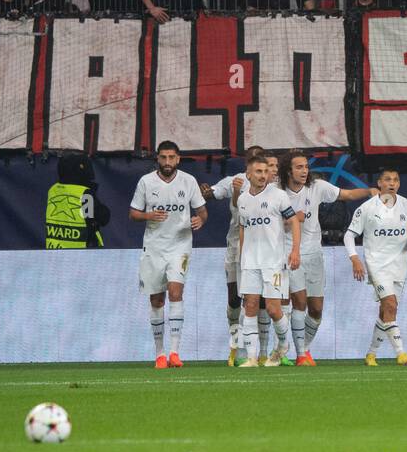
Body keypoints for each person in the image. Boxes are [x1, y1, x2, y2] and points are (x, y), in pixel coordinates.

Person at [279, 150, 378, 365]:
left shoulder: (317, 187)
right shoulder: (278, 193)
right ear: (288, 170)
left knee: (316, 309)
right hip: (289, 254)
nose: (304, 171)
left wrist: (369, 191)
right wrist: (290, 220)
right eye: (299, 167)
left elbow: (347, 195)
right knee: (299, 302)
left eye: (306, 166)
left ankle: (302, 347)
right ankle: (300, 354)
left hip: (315, 254)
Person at [128, 141, 207, 369]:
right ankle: (159, 354)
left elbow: (202, 211)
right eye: (163, 157)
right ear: (158, 159)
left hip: (180, 245)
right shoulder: (146, 182)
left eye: (172, 157)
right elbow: (133, 213)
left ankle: (174, 352)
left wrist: (200, 219)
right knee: (157, 299)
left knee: (175, 291)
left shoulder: (188, 181)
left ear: (178, 159)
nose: (168, 162)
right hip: (154, 247)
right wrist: (148, 216)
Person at [345, 167, 407, 366]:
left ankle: (371, 354)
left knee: (387, 311)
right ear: (379, 183)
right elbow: (349, 235)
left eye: (395, 180)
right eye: (387, 179)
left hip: (399, 266)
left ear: (399, 184)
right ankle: (401, 353)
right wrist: (355, 259)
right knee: (390, 305)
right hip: (376, 265)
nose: (392, 183)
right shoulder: (368, 208)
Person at [200, 144, 265, 366]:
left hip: (263, 247)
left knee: (258, 300)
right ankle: (234, 345)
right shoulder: (235, 180)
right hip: (236, 245)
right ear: (246, 162)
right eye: (252, 159)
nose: (257, 162)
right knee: (234, 298)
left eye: (260, 159)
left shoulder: (272, 183)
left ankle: (258, 352)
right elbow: (214, 193)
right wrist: (207, 192)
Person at [235, 153, 302, 367]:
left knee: (274, 309)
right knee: (251, 305)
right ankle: (252, 358)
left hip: (273, 261)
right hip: (250, 262)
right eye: (259, 171)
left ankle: (282, 345)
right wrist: (242, 256)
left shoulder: (278, 195)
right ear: (249, 174)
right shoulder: (243, 199)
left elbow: (294, 221)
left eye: (266, 171)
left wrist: (295, 251)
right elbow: (243, 227)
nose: (263, 175)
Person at [45, 153, 110, 248]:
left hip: (54, 250)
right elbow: (100, 218)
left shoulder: (53, 190)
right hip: (81, 254)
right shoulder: (84, 194)